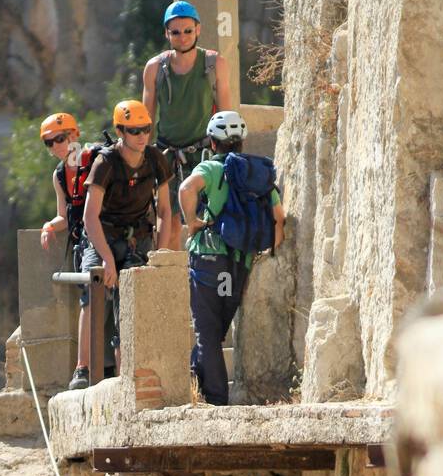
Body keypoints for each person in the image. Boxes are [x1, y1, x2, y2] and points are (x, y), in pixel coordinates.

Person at [179, 110, 285, 406]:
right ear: (241, 142)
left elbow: (186, 188)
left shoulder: (212, 169)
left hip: (208, 260)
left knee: (207, 333)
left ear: (212, 143)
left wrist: (191, 222)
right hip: (239, 265)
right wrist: (263, 252)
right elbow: (280, 219)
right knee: (214, 331)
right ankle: (194, 382)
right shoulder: (256, 173)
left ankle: (215, 403)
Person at [71, 99, 173, 389]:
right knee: (95, 289)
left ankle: (125, 374)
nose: (142, 136)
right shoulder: (106, 163)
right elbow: (90, 217)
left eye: (146, 129)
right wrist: (106, 259)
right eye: (134, 131)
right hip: (102, 236)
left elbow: (166, 211)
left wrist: (160, 253)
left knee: (129, 302)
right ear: (120, 132)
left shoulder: (155, 159)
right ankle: (83, 368)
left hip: (135, 238)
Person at [143, 0, 231, 252]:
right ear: (167, 34)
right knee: (168, 222)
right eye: (176, 32)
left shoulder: (214, 64)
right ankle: (167, 280)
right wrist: (142, 160)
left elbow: (225, 113)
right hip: (166, 154)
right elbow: (146, 119)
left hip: (203, 151)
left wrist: (227, 155)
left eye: (188, 31)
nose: (182, 37)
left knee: (207, 218)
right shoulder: (155, 68)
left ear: (198, 30)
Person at [39, 112, 95, 378]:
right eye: (49, 142)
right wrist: (50, 226)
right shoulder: (60, 175)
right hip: (82, 241)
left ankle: (92, 367)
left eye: (60, 138)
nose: (56, 146)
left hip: (108, 234)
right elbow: (64, 214)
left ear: (75, 134)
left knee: (105, 299)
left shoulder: (96, 158)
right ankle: (85, 367)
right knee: (90, 299)